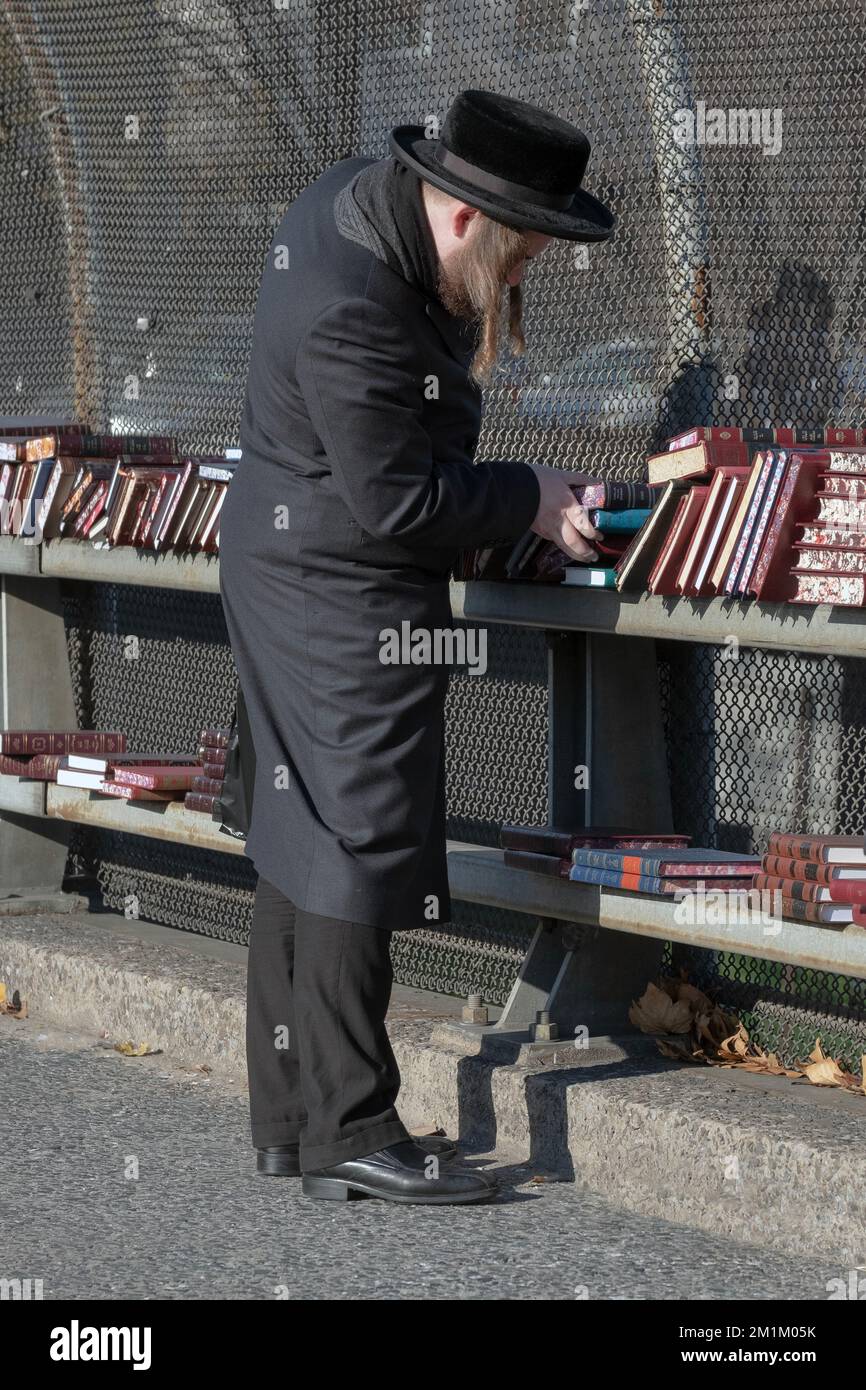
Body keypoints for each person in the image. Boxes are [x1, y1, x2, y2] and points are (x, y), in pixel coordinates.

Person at [218, 89, 615, 1205]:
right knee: (359, 833)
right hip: (331, 580)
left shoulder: (358, 202)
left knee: (299, 833)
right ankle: (351, 1121)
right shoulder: (350, 300)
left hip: (287, 557)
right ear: (459, 219)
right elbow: (394, 500)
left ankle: (293, 1121)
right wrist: (526, 497)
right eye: (520, 252)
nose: (521, 275)